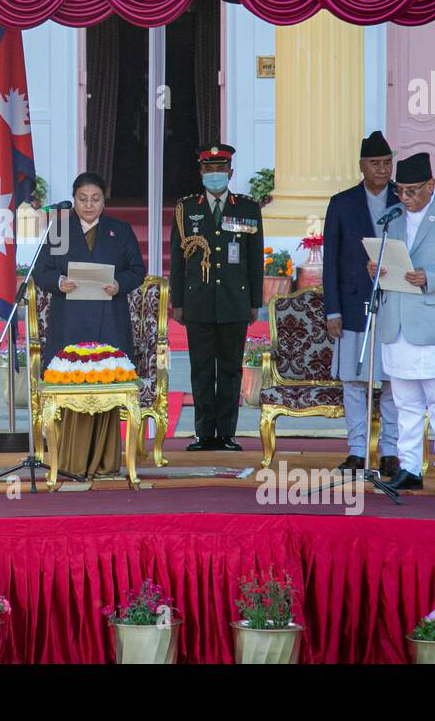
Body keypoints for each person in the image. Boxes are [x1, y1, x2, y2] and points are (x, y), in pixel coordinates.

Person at [370, 152, 435, 496]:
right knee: (406, 404)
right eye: (400, 190)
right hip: (397, 323)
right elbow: (386, 258)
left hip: (434, 324)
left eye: (413, 191)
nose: (405, 198)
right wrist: (376, 270)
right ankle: (410, 468)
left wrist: (429, 276)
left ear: (431, 185)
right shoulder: (393, 218)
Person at [33, 172, 146, 478]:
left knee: (105, 389)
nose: (89, 205)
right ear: (74, 200)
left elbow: (137, 270)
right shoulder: (60, 230)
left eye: (95, 199)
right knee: (71, 390)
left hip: (109, 321)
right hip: (69, 322)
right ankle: (69, 459)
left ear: (104, 201)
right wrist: (59, 282)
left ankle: (106, 460)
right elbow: (40, 272)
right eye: (83, 199)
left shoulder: (119, 231)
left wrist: (118, 284)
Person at [169, 143, 263, 451]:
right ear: (201, 173)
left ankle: (226, 434)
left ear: (230, 172)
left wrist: (254, 302)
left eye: (220, 169)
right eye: (209, 169)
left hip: (234, 301)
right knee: (201, 369)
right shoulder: (187, 209)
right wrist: (178, 302)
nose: (215, 175)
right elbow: (178, 260)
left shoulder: (247, 208)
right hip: (198, 302)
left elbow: (254, 259)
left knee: (230, 369)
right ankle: (203, 434)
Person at [322, 130, 401, 475]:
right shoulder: (342, 203)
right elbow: (331, 262)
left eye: (386, 162)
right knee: (354, 382)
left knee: (395, 382)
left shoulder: (405, 199)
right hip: (354, 306)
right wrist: (333, 310)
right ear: (361, 166)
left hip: (396, 305)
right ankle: (356, 450)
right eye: (375, 163)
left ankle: (390, 452)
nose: (382, 169)